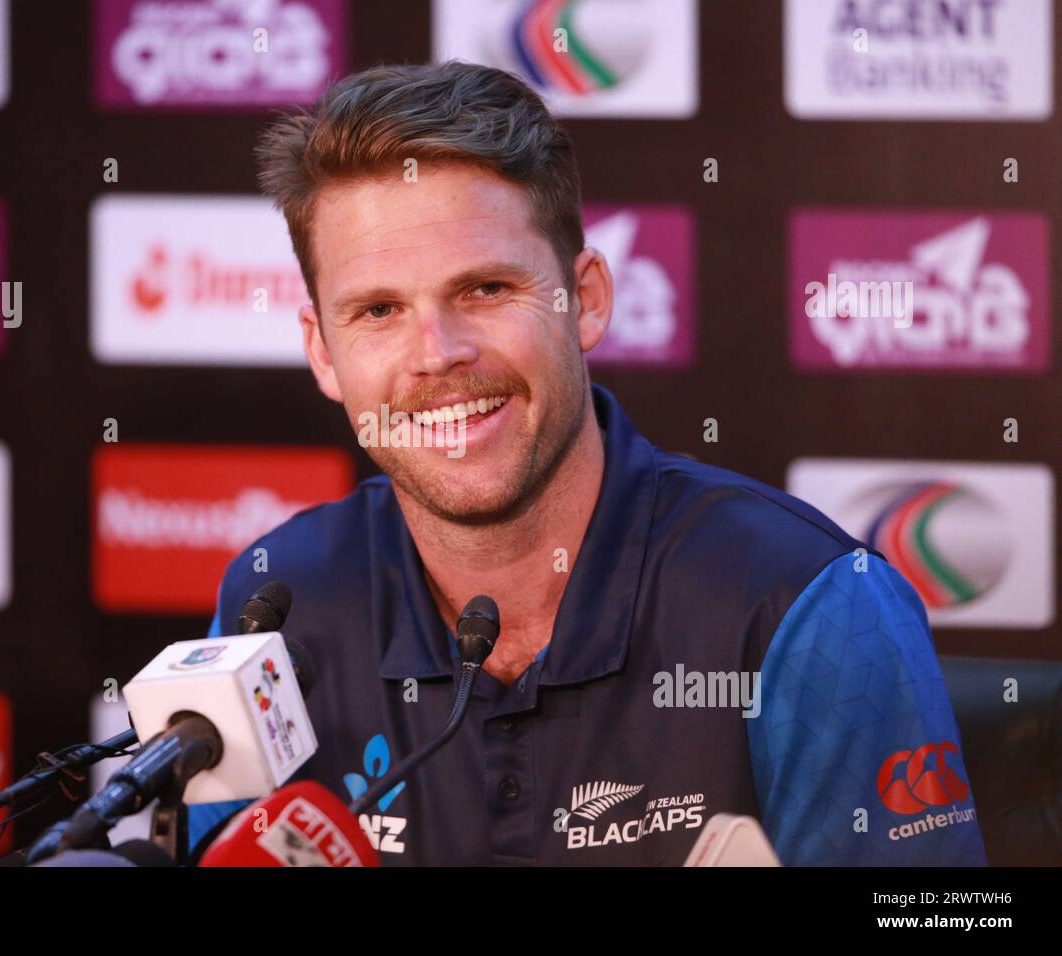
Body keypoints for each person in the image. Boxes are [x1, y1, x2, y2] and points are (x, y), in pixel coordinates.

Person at [199, 61, 986, 866]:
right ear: (322, 354)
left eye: (485, 289)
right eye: (378, 311)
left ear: (589, 300)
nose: (436, 354)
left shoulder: (806, 601)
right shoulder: (276, 602)